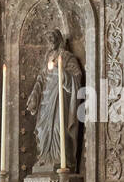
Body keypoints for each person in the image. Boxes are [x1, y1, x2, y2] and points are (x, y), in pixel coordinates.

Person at [26, 29, 82, 172]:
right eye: (48, 38)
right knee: (42, 129)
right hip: (46, 101)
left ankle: (61, 160)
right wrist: (34, 95)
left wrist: (61, 74)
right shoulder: (48, 58)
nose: (50, 41)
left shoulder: (67, 57)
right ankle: (45, 158)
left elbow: (77, 77)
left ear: (59, 40)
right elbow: (41, 79)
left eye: (52, 38)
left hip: (60, 99)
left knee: (59, 128)